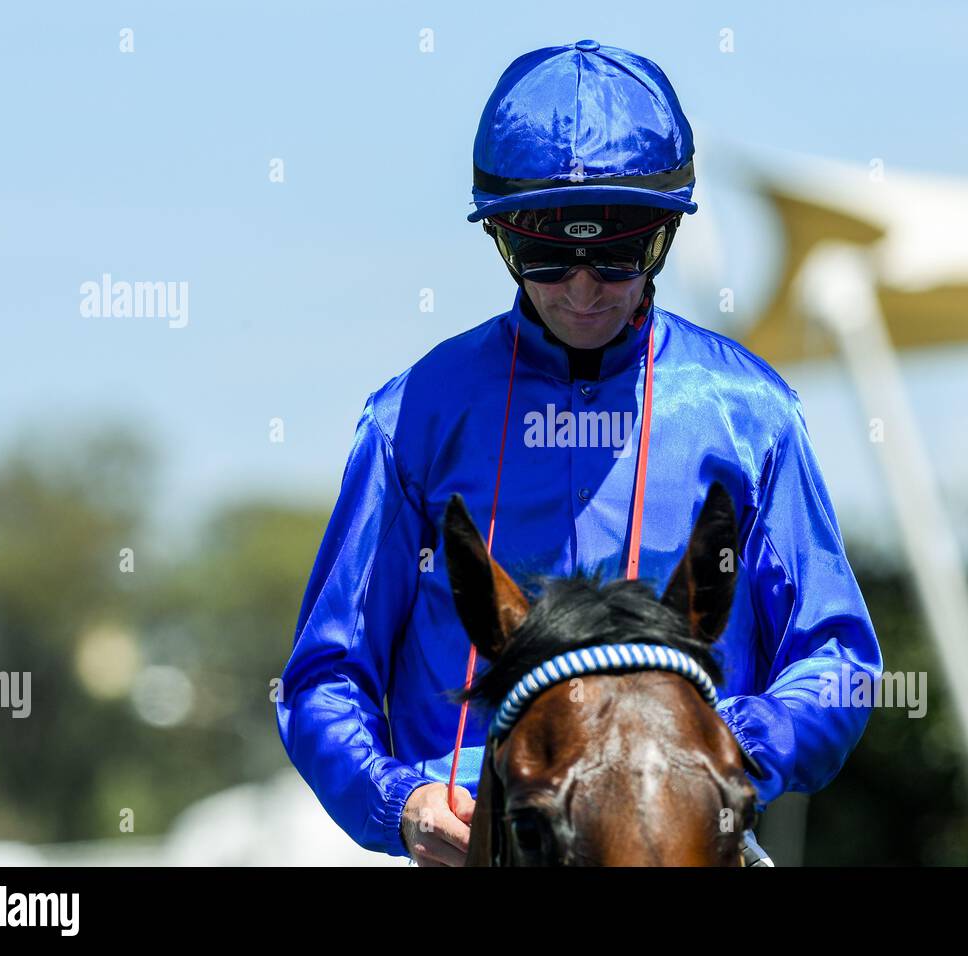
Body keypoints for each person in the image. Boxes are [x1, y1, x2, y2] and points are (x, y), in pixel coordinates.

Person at [276, 39, 882, 866]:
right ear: (502, 243)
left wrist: (704, 749)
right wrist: (400, 800)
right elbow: (323, 678)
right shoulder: (409, 416)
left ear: (663, 237)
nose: (585, 286)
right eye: (547, 254)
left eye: (616, 250)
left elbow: (839, 660)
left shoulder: (752, 413)